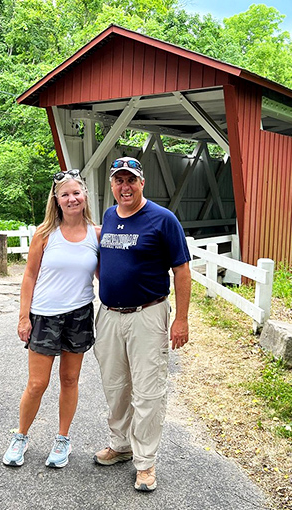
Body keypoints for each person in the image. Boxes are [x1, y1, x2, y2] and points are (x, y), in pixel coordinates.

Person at [93, 156, 191, 491]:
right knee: (115, 386)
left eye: (130, 180)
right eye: (119, 181)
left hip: (147, 315)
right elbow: (104, 258)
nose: (125, 187)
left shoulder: (163, 220)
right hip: (108, 315)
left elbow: (181, 270)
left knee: (148, 391)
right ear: (112, 185)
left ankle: (145, 462)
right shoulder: (108, 216)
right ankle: (120, 445)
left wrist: (181, 318)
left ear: (142, 183)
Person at [2, 169, 100, 469]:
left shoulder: (97, 234)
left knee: (69, 379)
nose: (72, 199)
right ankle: (20, 436)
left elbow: (104, 275)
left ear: (84, 196)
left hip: (80, 315)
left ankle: (62, 439)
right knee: (37, 383)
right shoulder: (45, 234)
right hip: (44, 316)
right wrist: (24, 317)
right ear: (56, 200)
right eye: (65, 194)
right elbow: (29, 276)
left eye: (76, 193)